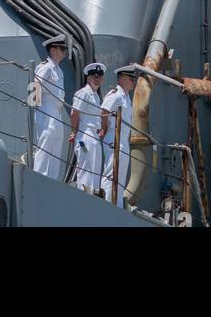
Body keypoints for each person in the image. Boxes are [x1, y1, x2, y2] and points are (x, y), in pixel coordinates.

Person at [32, 32, 68, 180]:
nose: (65, 53)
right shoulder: (46, 67)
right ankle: (39, 177)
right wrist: (37, 109)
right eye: (62, 49)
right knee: (44, 147)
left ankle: (52, 179)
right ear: (53, 50)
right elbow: (34, 86)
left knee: (55, 149)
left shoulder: (58, 70)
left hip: (56, 114)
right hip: (46, 112)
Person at [99, 65, 137, 206]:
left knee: (120, 175)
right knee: (111, 173)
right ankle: (107, 203)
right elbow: (104, 110)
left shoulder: (126, 97)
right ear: (121, 79)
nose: (133, 82)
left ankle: (117, 205)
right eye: (131, 79)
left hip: (123, 140)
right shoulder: (116, 94)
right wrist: (104, 127)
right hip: (113, 137)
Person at [69, 62, 106, 192]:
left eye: (100, 76)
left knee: (95, 172)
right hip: (85, 137)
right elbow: (74, 113)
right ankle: (83, 197)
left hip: (95, 138)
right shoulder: (83, 93)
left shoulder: (95, 96)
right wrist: (74, 132)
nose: (98, 79)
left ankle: (93, 197)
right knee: (85, 170)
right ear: (88, 78)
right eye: (94, 76)